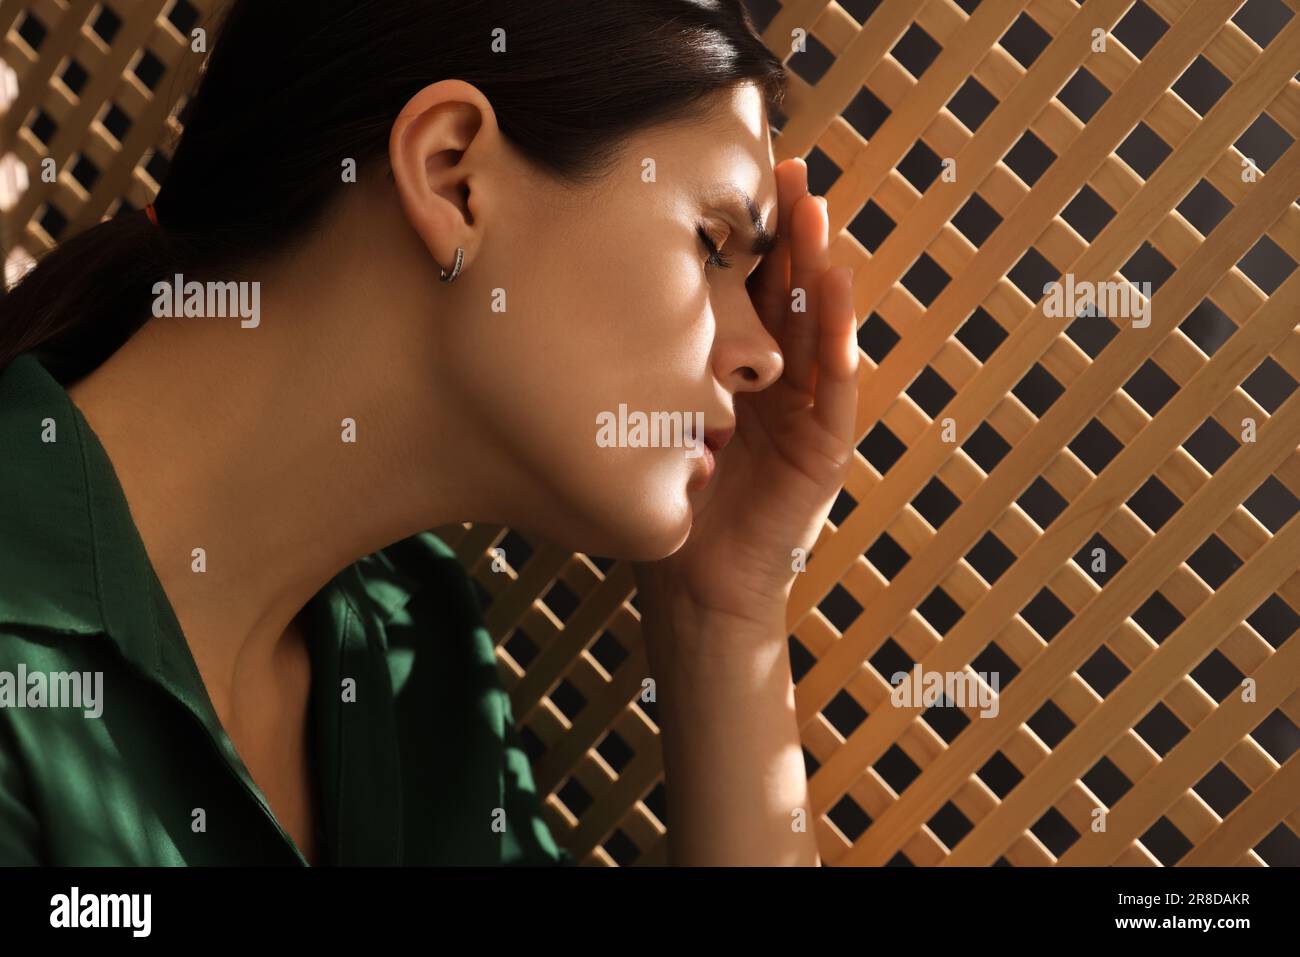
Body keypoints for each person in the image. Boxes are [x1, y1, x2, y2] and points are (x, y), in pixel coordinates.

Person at [0, 0, 856, 866]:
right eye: (713, 248)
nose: (764, 358)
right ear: (453, 177)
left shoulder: (419, 641)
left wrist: (721, 614)